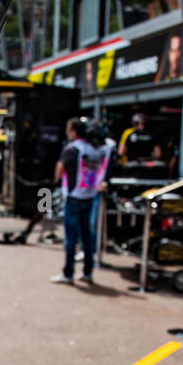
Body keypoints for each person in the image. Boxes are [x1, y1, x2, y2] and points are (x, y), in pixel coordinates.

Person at [50, 117, 106, 285]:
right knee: (87, 236)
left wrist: (56, 180)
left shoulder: (72, 149)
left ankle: (68, 274)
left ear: (74, 131)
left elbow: (60, 169)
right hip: (88, 196)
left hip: (74, 197)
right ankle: (87, 272)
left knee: (71, 238)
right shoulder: (94, 149)